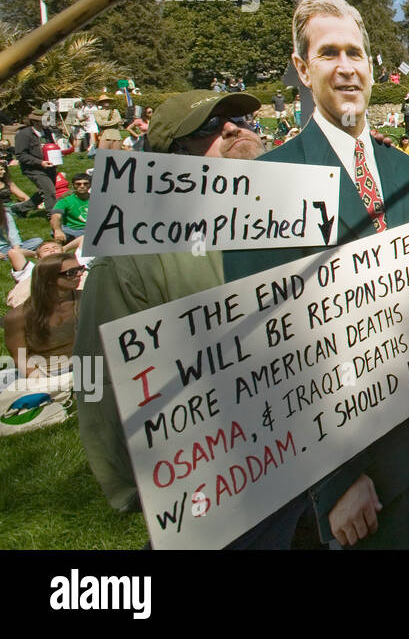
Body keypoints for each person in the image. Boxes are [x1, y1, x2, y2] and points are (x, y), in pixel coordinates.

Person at [224, 0, 409, 550]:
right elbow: (262, 349)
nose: (346, 67)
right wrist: (331, 482)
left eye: (355, 53)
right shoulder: (269, 182)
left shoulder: (401, 167)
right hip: (355, 459)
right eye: (329, 52)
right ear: (302, 68)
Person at [74, 89, 308, 546]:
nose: (233, 127)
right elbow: (95, 377)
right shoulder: (128, 258)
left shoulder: (291, 219)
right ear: (169, 157)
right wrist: (131, 484)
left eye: (238, 116)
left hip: (307, 445)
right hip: (215, 475)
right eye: (207, 127)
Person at [3, 253, 83, 376]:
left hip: (86, 365)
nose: (79, 274)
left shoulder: (86, 300)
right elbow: (21, 359)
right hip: (44, 372)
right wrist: (44, 382)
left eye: (80, 269)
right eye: (71, 272)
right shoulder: (18, 317)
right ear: (49, 279)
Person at [11, 110, 59, 218]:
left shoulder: (47, 132)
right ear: (36, 121)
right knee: (50, 192)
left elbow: (50, 148)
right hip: (33, 169)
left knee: (45, 192)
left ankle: (20, 209)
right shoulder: (23, 134)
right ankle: (53, 217)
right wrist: (40, 162)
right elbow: (20, 155)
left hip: (49, 167)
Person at [50, 172, 92, 244]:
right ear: (73, 185)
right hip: (74, 230)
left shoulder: (98, 199)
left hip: (92, 229)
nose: (82, 186)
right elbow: (56, 216)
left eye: (85, 184)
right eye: (78, 184)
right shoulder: (65, 201)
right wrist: (58, 230)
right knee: (55, 230)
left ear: (90, 185)